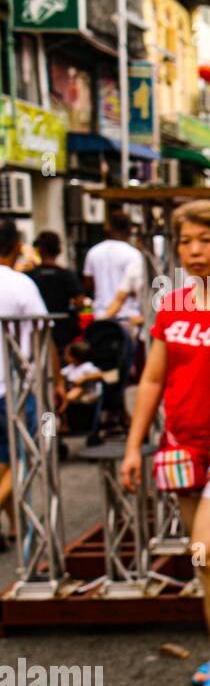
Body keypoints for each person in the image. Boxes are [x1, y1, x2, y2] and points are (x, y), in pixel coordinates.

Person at [119, 200, 210, 686]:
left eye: (205, 239)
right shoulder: (172, 304)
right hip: (180, 445)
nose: (194, 250)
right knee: (204, 561)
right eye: (185, 241)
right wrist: (135, 447)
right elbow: (153, 378)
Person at [0, 220, 64, 542]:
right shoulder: (20, 284)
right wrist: (56, 382)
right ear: (16, 246)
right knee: (23, 456)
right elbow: (42, 335)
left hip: (10, 388)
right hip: (13, 388)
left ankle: (16, 528)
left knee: (4, 463)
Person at [83, 211, 143, 437]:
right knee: (124, 373)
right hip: (126, 321)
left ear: (108, 227)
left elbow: (88, 282)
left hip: (102, 321)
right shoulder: (133, 255)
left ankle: (110, 417)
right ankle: (119, 416)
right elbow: (126, 294)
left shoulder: (93, 252)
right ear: (129, 229)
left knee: (106, 372)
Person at [27, 231, 87, 353]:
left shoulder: (29, 276)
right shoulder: (67, 275)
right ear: (59, 250)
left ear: (39, 250)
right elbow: (80, 301)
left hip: (37, 330)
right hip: (63, 330)